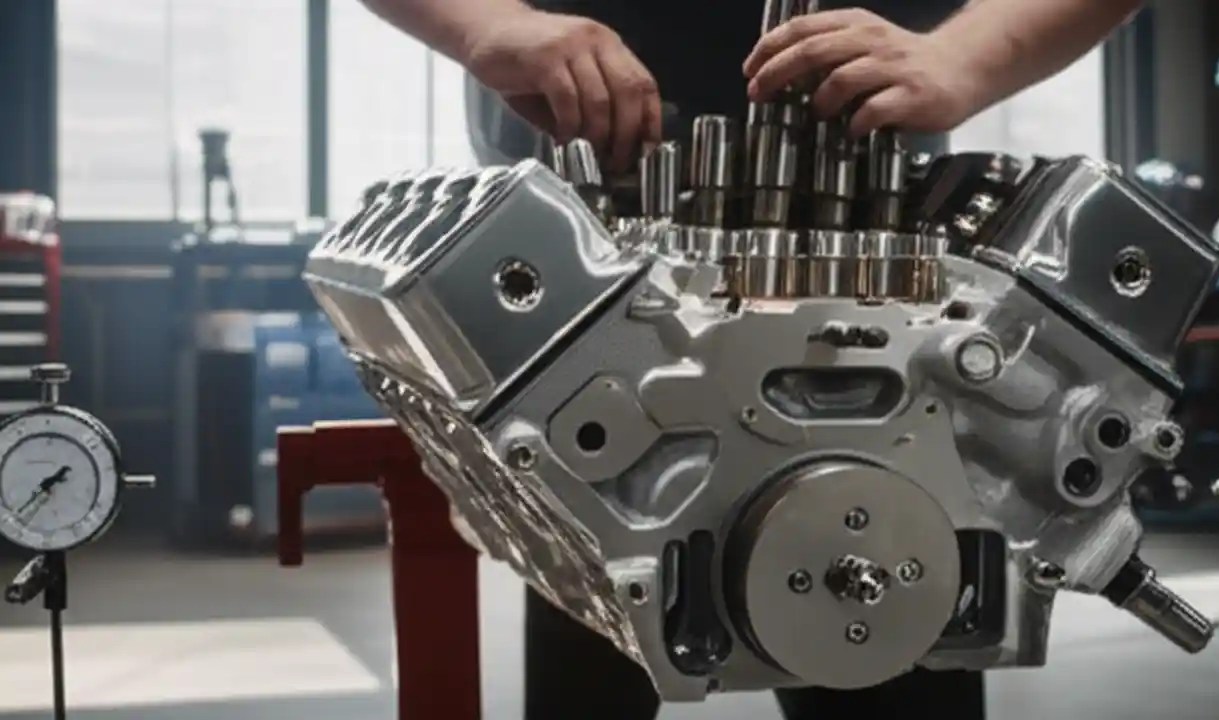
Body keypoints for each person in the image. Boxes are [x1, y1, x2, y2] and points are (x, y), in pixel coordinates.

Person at [360, 2, 1144, 719]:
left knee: (883, 630)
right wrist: (486, 23)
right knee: (596, 589)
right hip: (583, 271)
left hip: (862, 264)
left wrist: (971, 55)